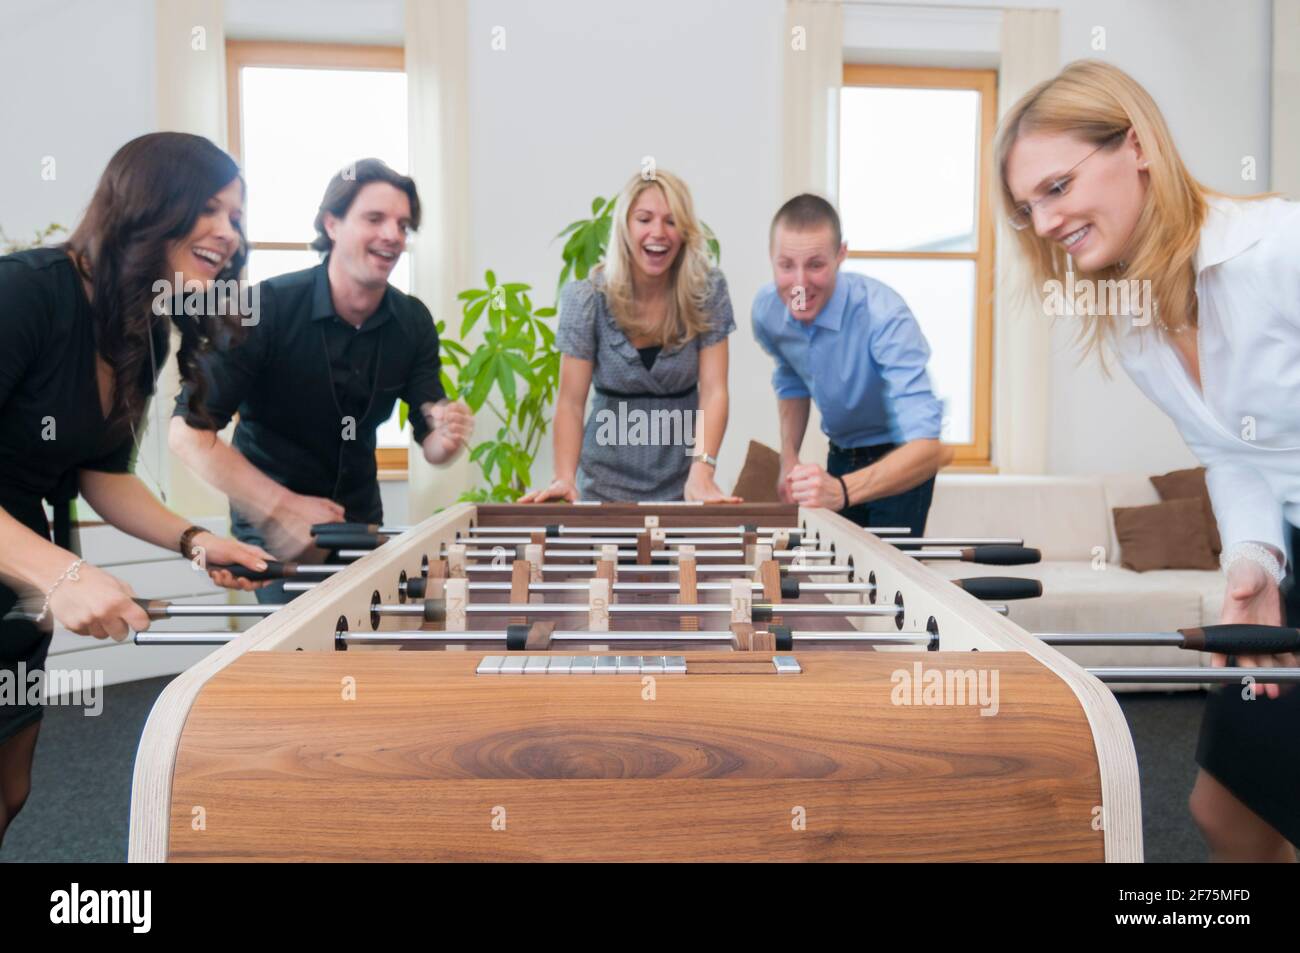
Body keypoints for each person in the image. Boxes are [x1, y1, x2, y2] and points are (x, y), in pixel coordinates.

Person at [999, 59, 1300, 861]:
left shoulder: (1280, 250)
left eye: (1057, 186)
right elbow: (1232, 456)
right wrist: (1252, 558)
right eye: (1029, 207)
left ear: (1135, 145)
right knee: (1224, 809)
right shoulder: (1134, 327)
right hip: (1289, 555)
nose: (1046, 220)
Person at [0, 132, 272, 845]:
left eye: (237, 216)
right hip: (31, 566)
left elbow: (100, 472)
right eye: (210, 208)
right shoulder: (24, 291)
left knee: (9, 791)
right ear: (146, 205)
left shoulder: (141, 330)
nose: (229, 233)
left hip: (18, 591)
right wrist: (61, 572)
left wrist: (195, 538)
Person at [169, 159, 474, 602]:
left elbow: (432, 438)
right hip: (270, 527)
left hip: (360, 522)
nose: (393, 235)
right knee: (297, 662)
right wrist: (281, 508)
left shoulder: (413, 321)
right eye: (375, 218)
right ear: (331, 223)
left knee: (361, 654)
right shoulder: (263, 308)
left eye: (403, 225)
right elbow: (188, 434)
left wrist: (444, 437)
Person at [520, 170, 737, 503]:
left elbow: (714, 391)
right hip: (602, 489)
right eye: (644, 219)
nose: (658, 232)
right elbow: (571, 403)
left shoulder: (707, 291)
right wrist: (564, 478)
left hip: (684, 488)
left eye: (671, 221)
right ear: (625, 227)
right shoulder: (586, 298)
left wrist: (702, 472)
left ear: (684, 232)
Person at [752, 194, 950, 536]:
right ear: (771, 258)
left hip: (899, 461)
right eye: (786, 266)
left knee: (890, 584)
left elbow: (930, 450)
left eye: (815, 265)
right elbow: (792, 378)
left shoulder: (884, 316)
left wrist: (842, 491)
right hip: (841, 454)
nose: (799, 285)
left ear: (841, 254)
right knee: (841, 582)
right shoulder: (768, 312)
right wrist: (789, 458)